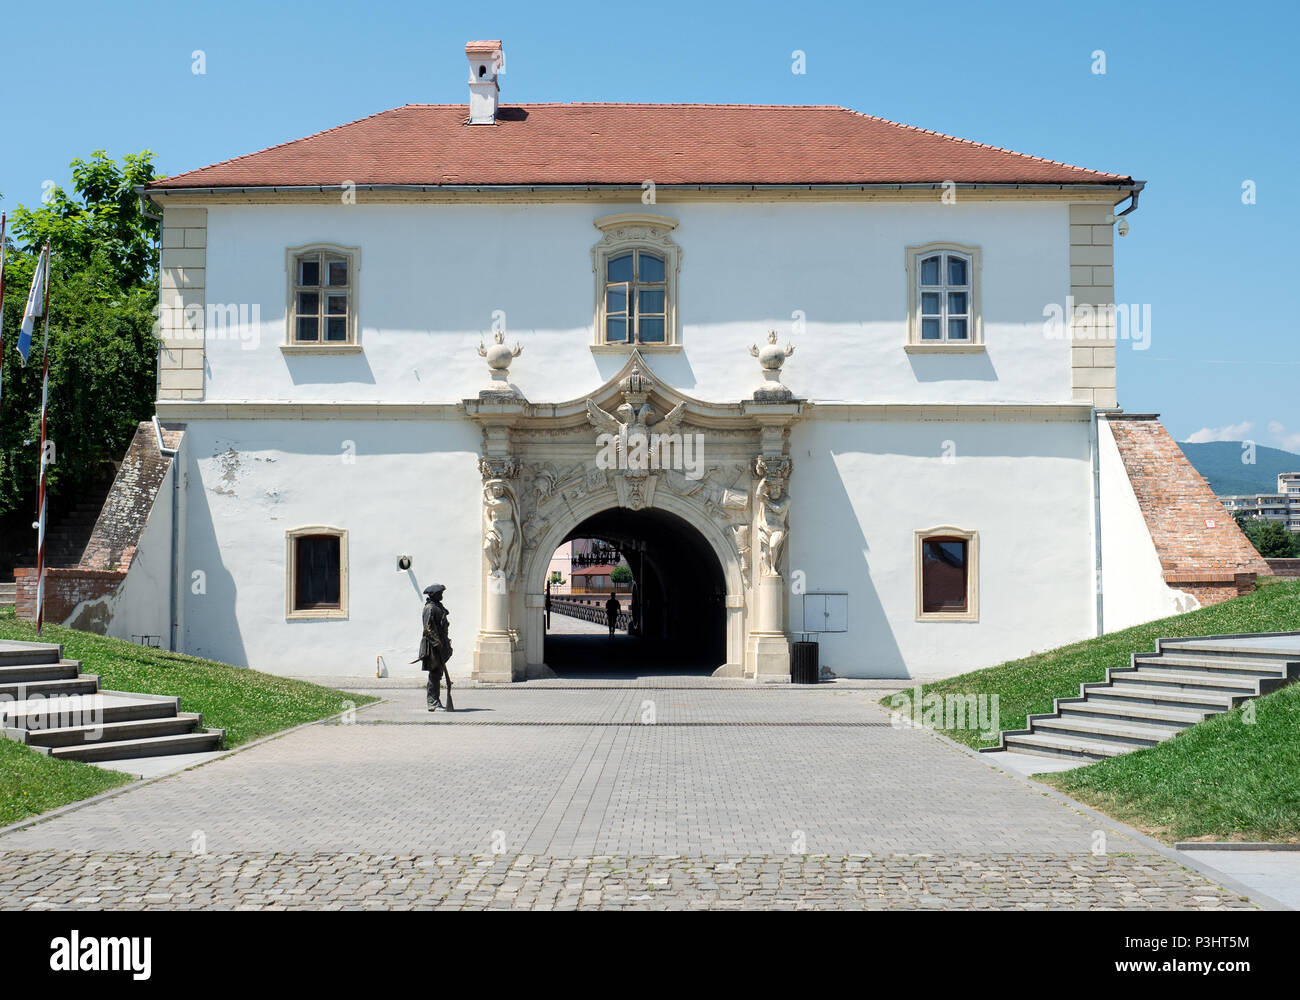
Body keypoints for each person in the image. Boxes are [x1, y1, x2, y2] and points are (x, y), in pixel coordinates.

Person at [413, 584, 453, 711]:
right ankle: (433, 702)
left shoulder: (438, 607)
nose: (442, 595)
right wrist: (437, 643)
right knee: (434, 674)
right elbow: (428, 629)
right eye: (440, 593)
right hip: (433, 646)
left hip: (440, 645)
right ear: (434, 594)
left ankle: (435, 700)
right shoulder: (429, 608)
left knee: (437, 674)